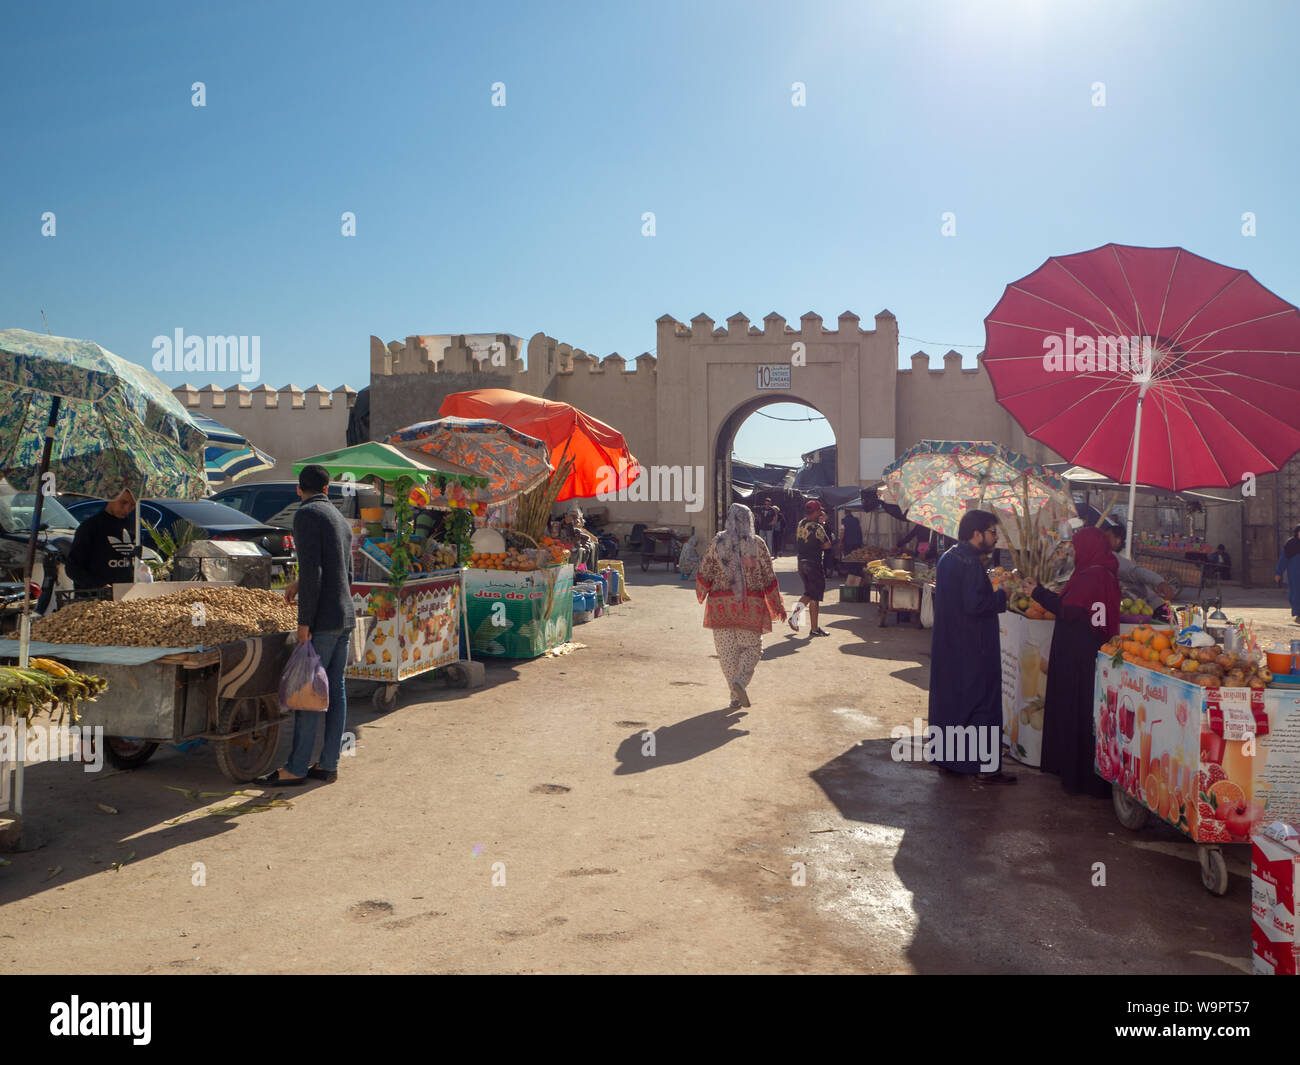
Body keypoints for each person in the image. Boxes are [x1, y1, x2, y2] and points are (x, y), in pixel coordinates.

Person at [258, 464, 355, 786]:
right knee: (336, 693)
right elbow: (343, 572)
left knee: (308, 693)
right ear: (327, 488)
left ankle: (296, 768)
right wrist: (300, 583)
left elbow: (314, 571)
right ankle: (328, 764)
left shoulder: (306, 515)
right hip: (344, 616)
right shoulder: (340, 520)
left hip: (323, 621)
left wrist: (305, 622)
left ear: (299, 490)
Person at [1028, 526, 1120, 798]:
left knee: (1075, 709)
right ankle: (1082, 772)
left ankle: (1076, 775)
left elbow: (1068, 610)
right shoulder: (1105, 573)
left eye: (1078, 546)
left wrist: (1038, 592)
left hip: (1077, 654)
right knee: (1086, 711)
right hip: (1091, 650)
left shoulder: (1090, 576)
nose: (1075, 551)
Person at [929, 510, 1014, 782]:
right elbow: (976, 605)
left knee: (951, 703)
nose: (995, 537)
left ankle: (949, 760)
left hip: (949, 645)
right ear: (977, 534)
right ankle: (986, 768)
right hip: (974, 647)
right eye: (992, 532)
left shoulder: (948, 557)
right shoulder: (970, 563)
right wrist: (1002, 595)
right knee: (982, 705)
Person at [696, 503, 786, 707]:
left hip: (720, 606)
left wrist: (702, 590)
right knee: (753, 648)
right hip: (750, 606)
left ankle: (734, 697)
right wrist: (776, 603)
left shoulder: (718, 541)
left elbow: (705, 570)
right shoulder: (757, 544)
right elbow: (768, 576)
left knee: (727, 652)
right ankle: (740, 682)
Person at [66, 487, 138, 590]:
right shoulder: (91, 527)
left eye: (132, 505)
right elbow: (72, 568)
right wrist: (99, 585)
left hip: (127, 595)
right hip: (95, 597)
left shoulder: (133, 526)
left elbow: (136, 563)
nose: (127, 509)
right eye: (123, 502)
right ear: (111, 498)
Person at [1102, 522, 1175, 609]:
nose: (1103, 540)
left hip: (1150, 607)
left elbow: (1136, 571)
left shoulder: (1111, 557)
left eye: (1107, 537)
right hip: (1136, 608)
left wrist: (1160, 582)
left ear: (1118, 540)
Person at [789, 500, 832, 637]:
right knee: (812, 594)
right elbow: (827, 545)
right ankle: (795, 618)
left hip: (801, 562)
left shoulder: (800, 523)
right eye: (819, 511)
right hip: (813, 563)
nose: (820, 513)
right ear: (815, 512)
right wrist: (824, 523)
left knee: (811, 594)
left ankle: (814, 628)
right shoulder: (817, 527)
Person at [1277, 525, 1300, 623]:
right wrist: (1278, 572)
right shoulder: (1290, 544)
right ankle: (1298, 614)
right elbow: (1283, 560)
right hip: (1295, 574)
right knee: (1296, 594)